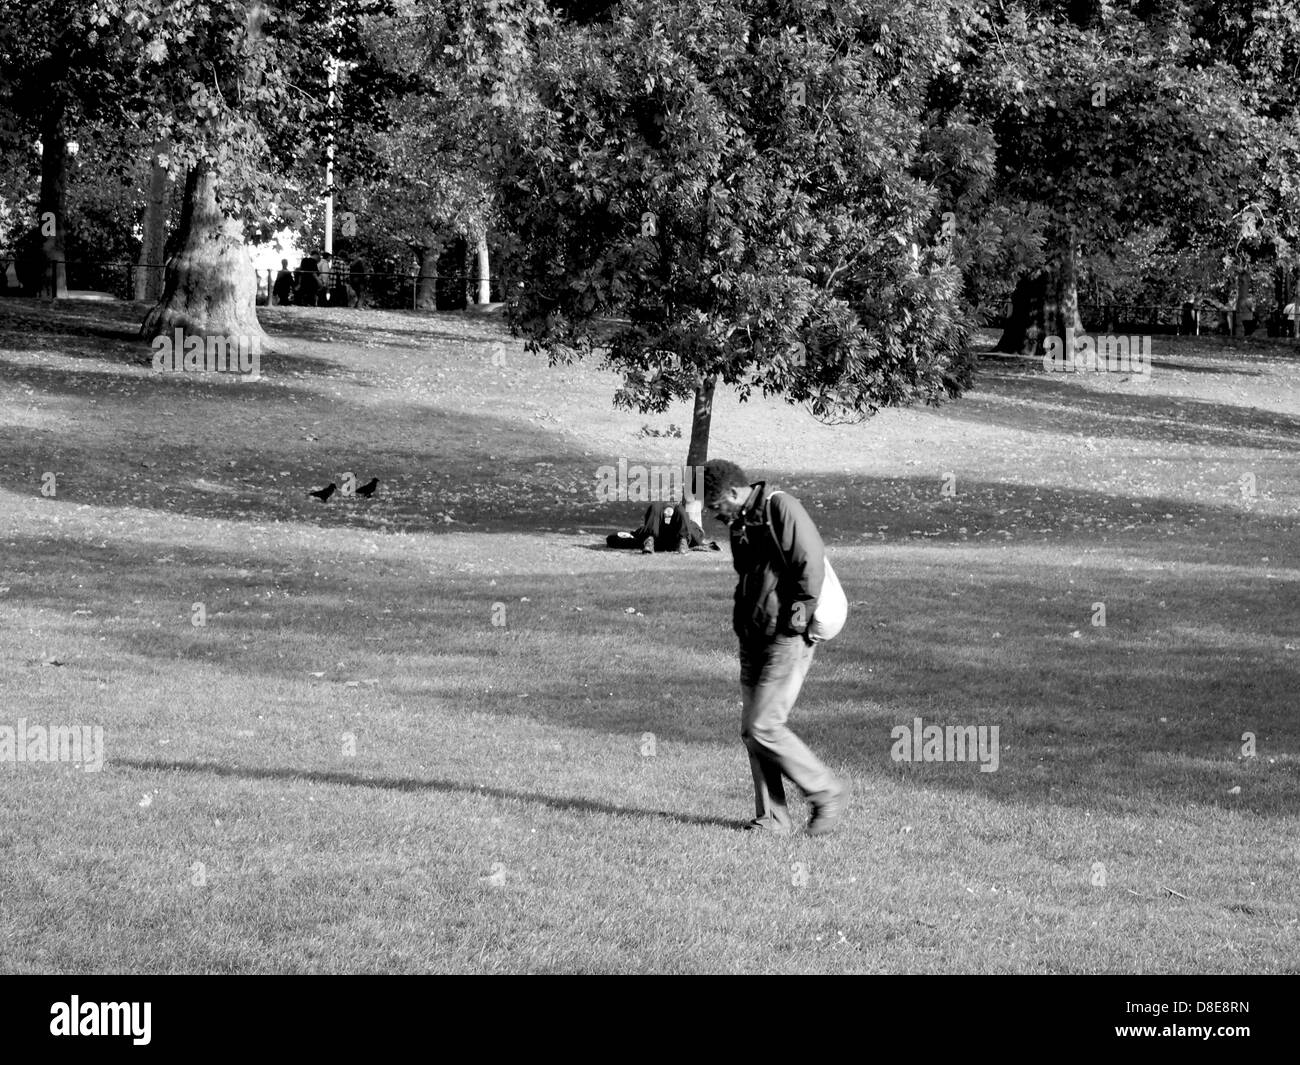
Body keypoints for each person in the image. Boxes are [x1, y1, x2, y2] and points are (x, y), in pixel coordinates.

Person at [703, 459, 847, 837]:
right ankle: (773, 820)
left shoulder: (780, 507)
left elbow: (809, 561)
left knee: (765, 725)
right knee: (753, 732)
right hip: (754, 636)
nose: (714, 514)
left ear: (734, 493)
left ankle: (826, 791)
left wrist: (796, 620)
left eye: (716, 505)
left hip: (787, 635)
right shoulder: (741, 525)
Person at [605, 500, 716, 553]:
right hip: (657, 538)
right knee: (659, 506)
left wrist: (670, 509)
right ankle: (650, 541)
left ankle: (682, 542)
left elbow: (698, 534)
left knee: (678, 508)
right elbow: (613, 538)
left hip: (680, 538)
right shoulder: (647, 529)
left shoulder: (687, 524)